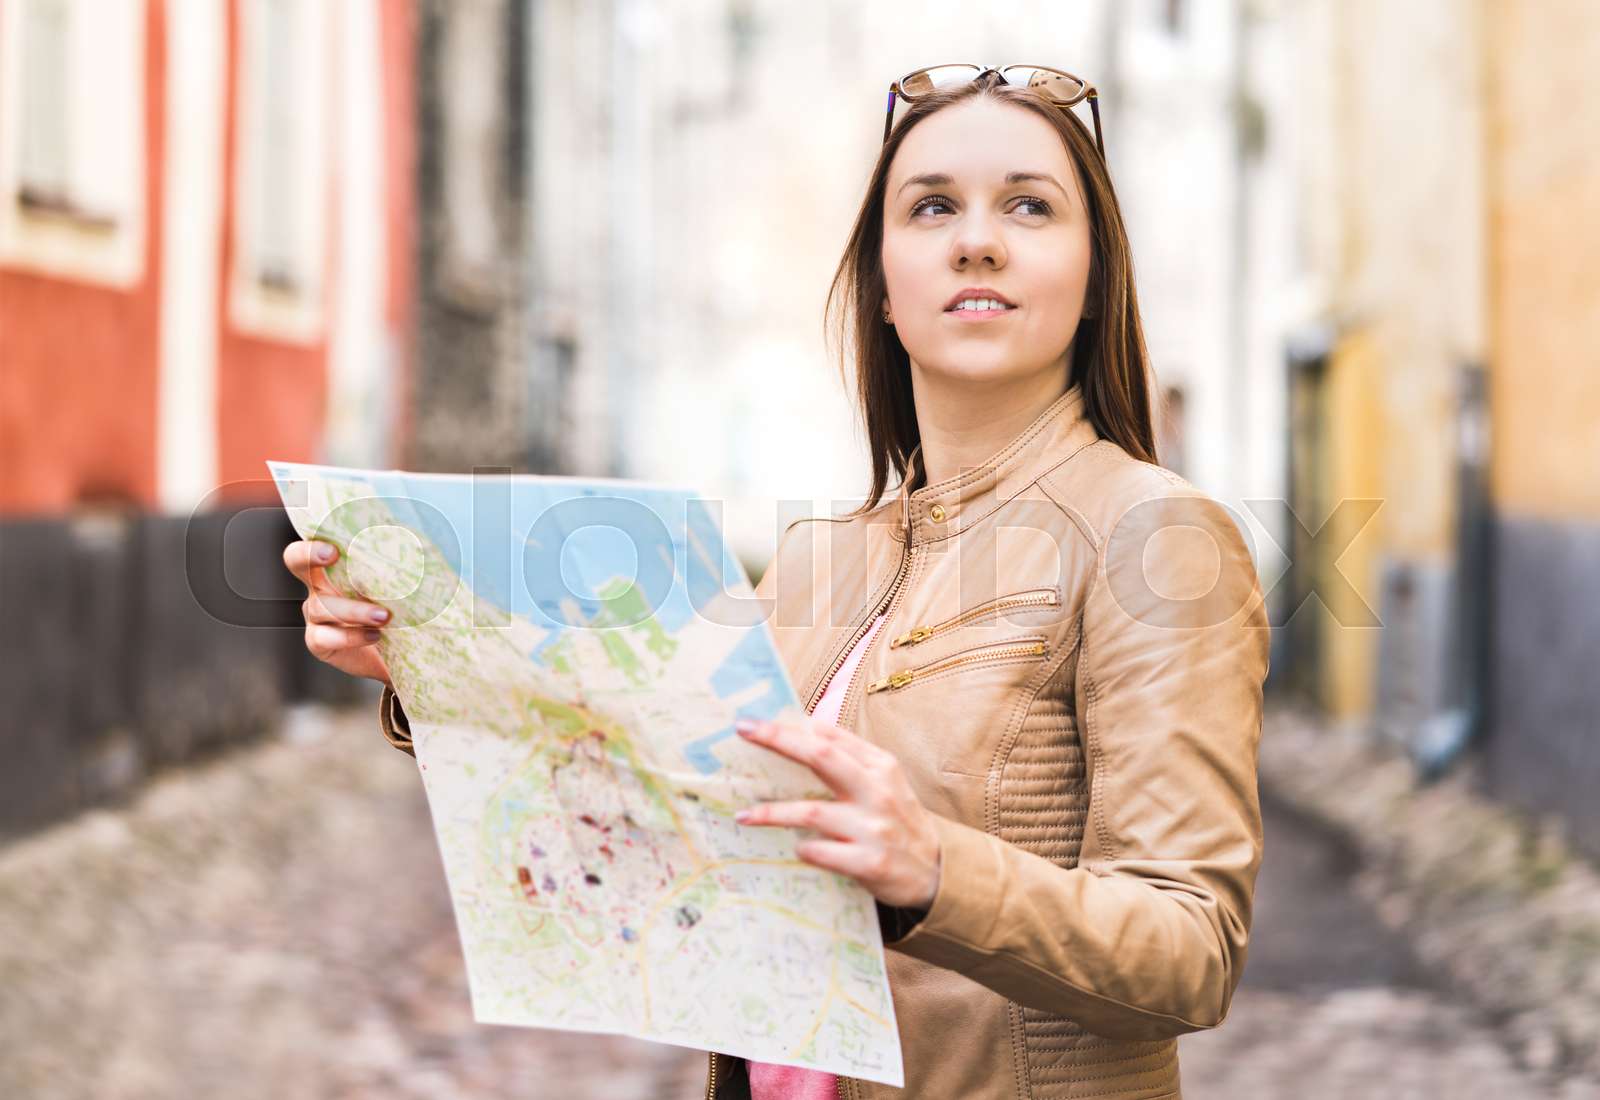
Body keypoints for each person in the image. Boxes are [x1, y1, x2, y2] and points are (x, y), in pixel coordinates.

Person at [284, 65, 1270, 1100]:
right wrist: (432, 658)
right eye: (931, 205)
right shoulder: (821, 555)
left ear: (1093, 275)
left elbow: (1189, 948)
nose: (977, 238)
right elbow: (674, 794)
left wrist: (936, 867)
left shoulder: (1153, 533)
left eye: (1030, 205)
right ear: (884, 287)